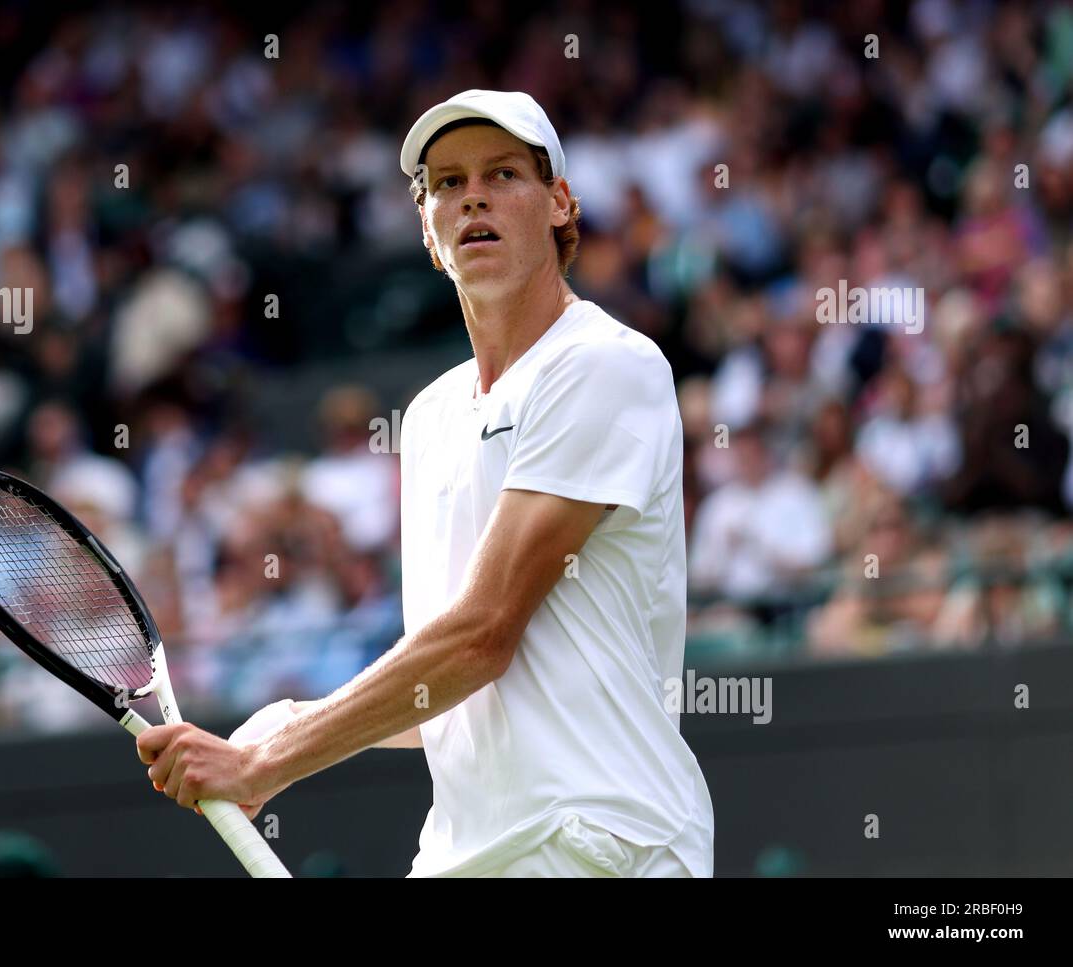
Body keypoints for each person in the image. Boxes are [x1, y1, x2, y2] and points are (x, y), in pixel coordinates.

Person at [136, 89, 714, 877]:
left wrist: (274, 761)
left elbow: (481, 635)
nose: (471, 193)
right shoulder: (434, 416)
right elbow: (447, 693)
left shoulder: (607, 365)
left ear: (560, 204)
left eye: (503, 173)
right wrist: (301, 720)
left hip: (605, 841)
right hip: (461, 852)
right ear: (429, 234)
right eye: (445, 183)